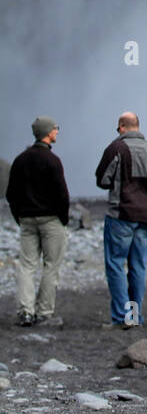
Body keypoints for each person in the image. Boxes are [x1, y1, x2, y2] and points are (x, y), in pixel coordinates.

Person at [95, 111, 147, 328]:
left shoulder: (115, 149)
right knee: (138, 267)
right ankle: (135, 316)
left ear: (122, 127)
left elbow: (102, 179)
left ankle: (122, 316)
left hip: (120, 216)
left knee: (116, 265)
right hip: (145, 216)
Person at [6, 117, 70, 327]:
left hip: (27, 220)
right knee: (51, 266)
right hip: (51, 220)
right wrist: (63, 218)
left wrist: (20, 217)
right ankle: (43, 312)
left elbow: (11, 194)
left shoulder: (20, 160)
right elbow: (62, 194)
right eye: (55, 128)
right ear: (48, 133)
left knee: (26, 265)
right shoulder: (52, 161)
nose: (57, 131)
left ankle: (25, 311)